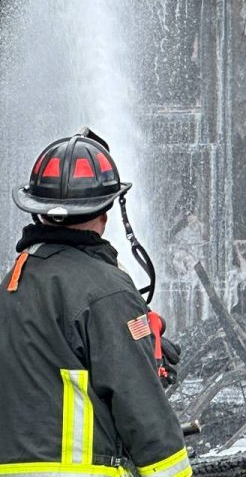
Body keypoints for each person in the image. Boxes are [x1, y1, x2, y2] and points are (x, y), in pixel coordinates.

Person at [0, 131, 189, 477]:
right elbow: (144, 414)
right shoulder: (107, 291)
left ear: (37, 210)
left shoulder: (12, 284)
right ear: (108, 208)